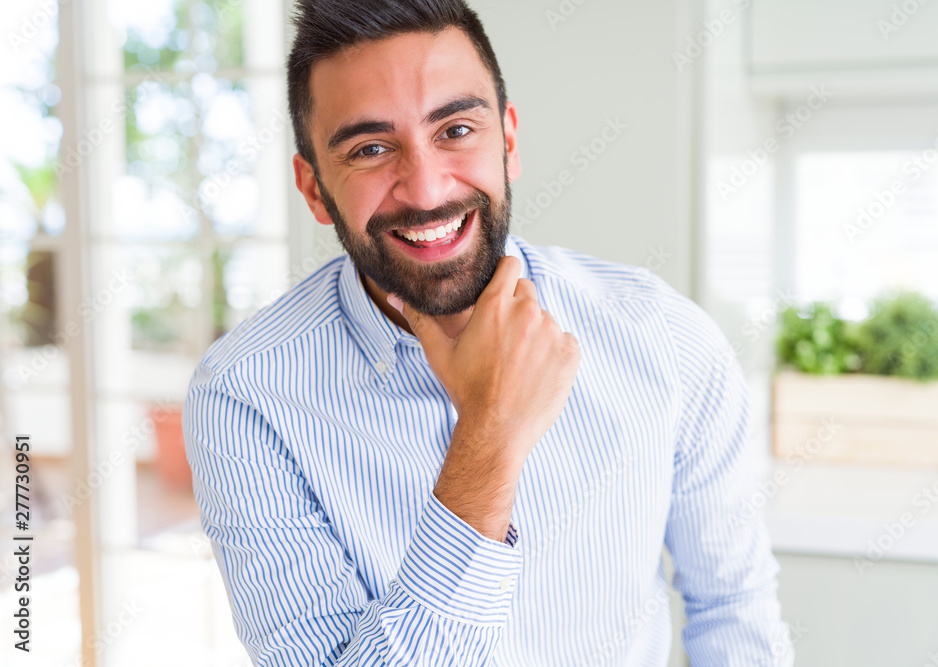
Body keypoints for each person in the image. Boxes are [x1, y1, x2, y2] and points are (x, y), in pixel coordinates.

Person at [183, 1, 794, 665]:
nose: (425, 188)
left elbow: (733, 608)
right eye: (370, 149)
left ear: (508, 138)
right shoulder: (245, 395)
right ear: (314, 189)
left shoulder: (666, 337)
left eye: (455, 129)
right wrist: (489, 438)